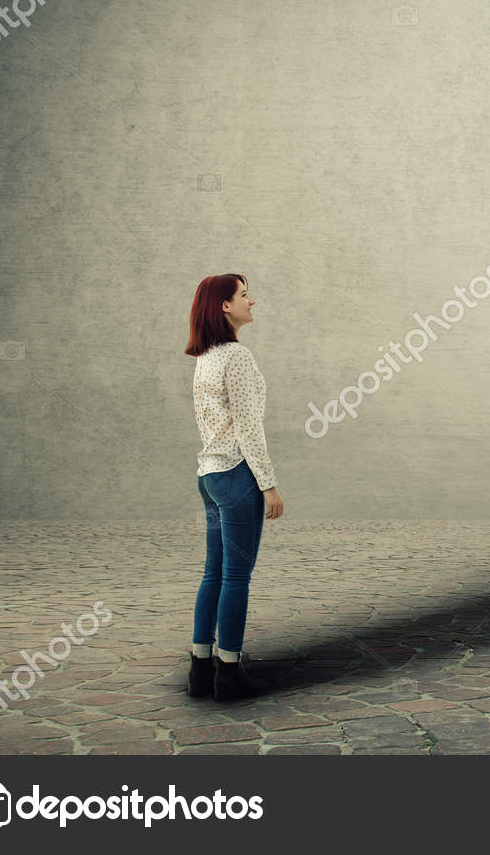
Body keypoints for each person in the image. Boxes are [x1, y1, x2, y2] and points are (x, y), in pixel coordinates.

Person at [185, 274, 285, 699]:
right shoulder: (236, 357)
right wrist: (269, 485)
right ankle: (229, 673)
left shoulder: (205, 357)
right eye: (245, 295)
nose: (252, 301)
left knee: (213, 574)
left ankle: (199, 667)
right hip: (238, 474)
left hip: (209, 475)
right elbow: (248, 427)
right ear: (224, 305)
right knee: (236, 577)